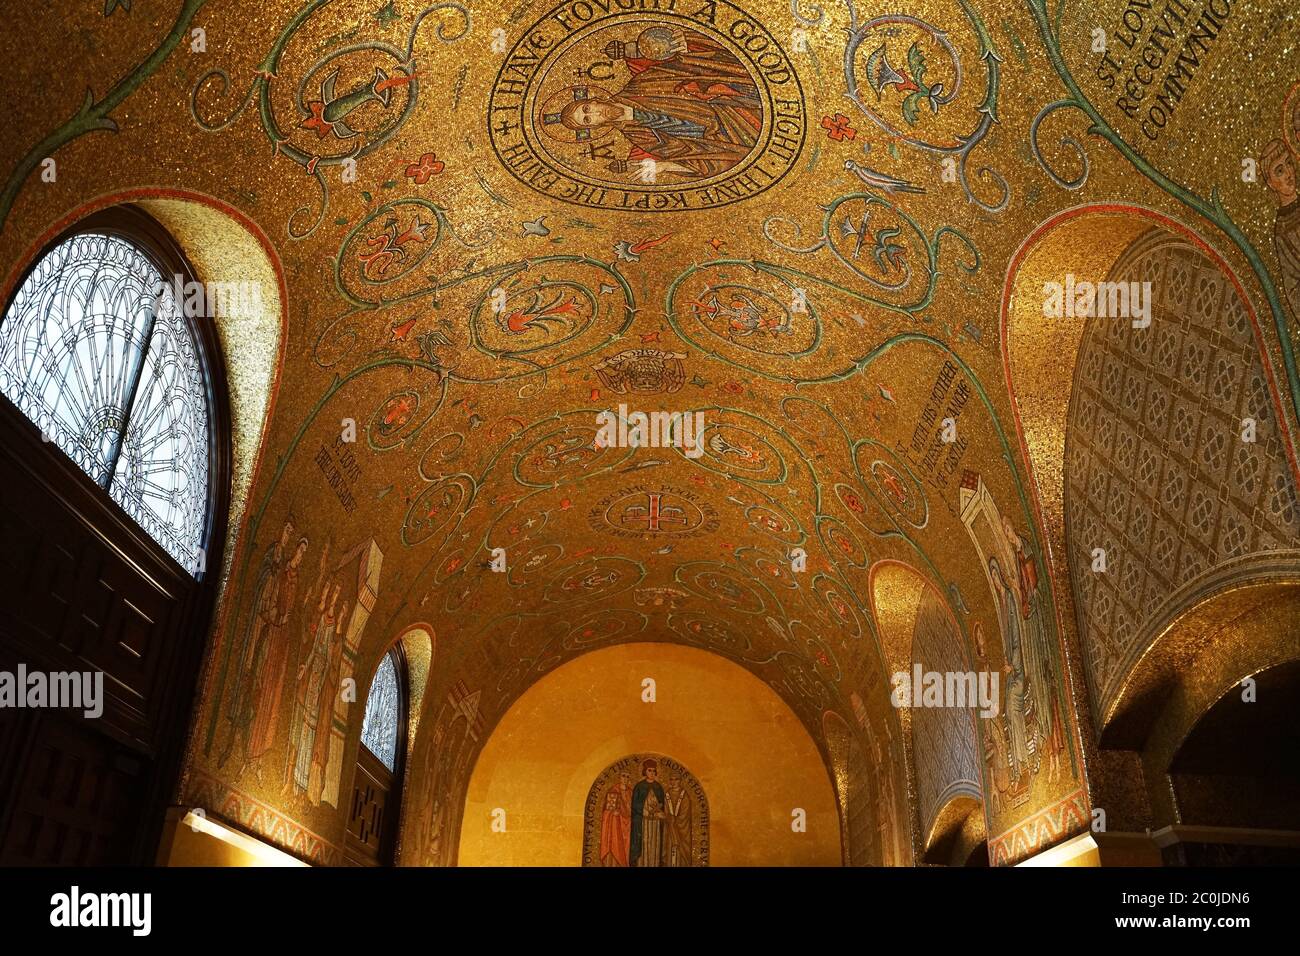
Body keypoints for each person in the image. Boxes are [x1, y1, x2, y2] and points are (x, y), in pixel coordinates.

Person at [547, 25, 762, 182]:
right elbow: (702, 162)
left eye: (587, 109)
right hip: (729, 136)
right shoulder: (640, 137)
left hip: (737, 100)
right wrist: (665, 165)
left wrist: (690, 42)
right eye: (587, 120)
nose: (594, 114)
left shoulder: (643, 83)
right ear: (593, 128)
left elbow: (692, 64)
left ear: (593, 100)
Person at [1261, 139, 1300, 321]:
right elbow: (1293, 288)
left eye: (1289, 163)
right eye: (1279, 170)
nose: (1288, 174)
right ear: (1270, 183)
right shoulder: (1282, 231)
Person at [629, 759, 667, 866]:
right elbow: (635, 805)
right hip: (643, 822)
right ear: (645, 771)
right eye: (650, 770)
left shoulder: (658, 787)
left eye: (654, 771)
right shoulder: (639, 786)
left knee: (654, 844)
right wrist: (648, 813)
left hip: (655, 824)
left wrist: (660, 812)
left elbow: (661, 804)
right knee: (644, 844)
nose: (652, 773)